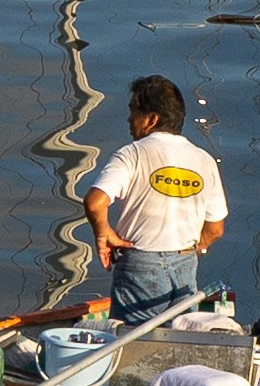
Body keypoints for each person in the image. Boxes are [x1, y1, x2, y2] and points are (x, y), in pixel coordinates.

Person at [87, 76, 229, 319]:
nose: (129, 119)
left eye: (133, 111)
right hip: (185, 265)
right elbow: (215, 229)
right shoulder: (204, 160)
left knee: (132, 343)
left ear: (152, 119)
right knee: (179, 340)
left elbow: (95, 202)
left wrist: (103, 233)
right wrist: (188, 252)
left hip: (140, 265)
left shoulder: (132, 155)